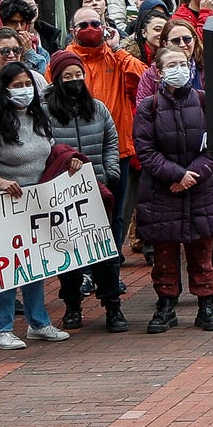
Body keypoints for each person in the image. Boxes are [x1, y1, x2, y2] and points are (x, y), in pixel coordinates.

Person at [0, 61, 76, 348]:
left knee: (35, 262)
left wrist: (68, 163)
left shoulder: (38, 119)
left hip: (35, 203)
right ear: (3, 90)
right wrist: (0, 182)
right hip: (3, 207)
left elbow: (49, 153)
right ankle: (0, 328)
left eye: (27, 84)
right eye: (17, 86)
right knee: (6, 267)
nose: (25, 91)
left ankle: (38, 322)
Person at [133, 42, 213, 332]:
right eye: (171, 65)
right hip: (163, 192)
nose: (179, 70)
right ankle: (166, 305)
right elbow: (146, 150)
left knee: (203, 251)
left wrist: (192, 175)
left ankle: (206, 305)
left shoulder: (204, 101)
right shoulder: (149, 108)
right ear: (159, 72)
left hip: (202, 191)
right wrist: (175, 175)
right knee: (164, 255)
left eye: (183, 64)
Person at [40, 47, 128, 331]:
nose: (74, 80)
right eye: (68, 76)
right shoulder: (45, 111)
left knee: (106, 253)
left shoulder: (98, 108)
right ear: (56, 78)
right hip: (64, 195)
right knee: (69, 255)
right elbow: (43, 147)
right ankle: (72, 305)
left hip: (97, 189)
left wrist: (110, 171)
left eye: (78, 74)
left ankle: (112, 306)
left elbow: (111, 141)